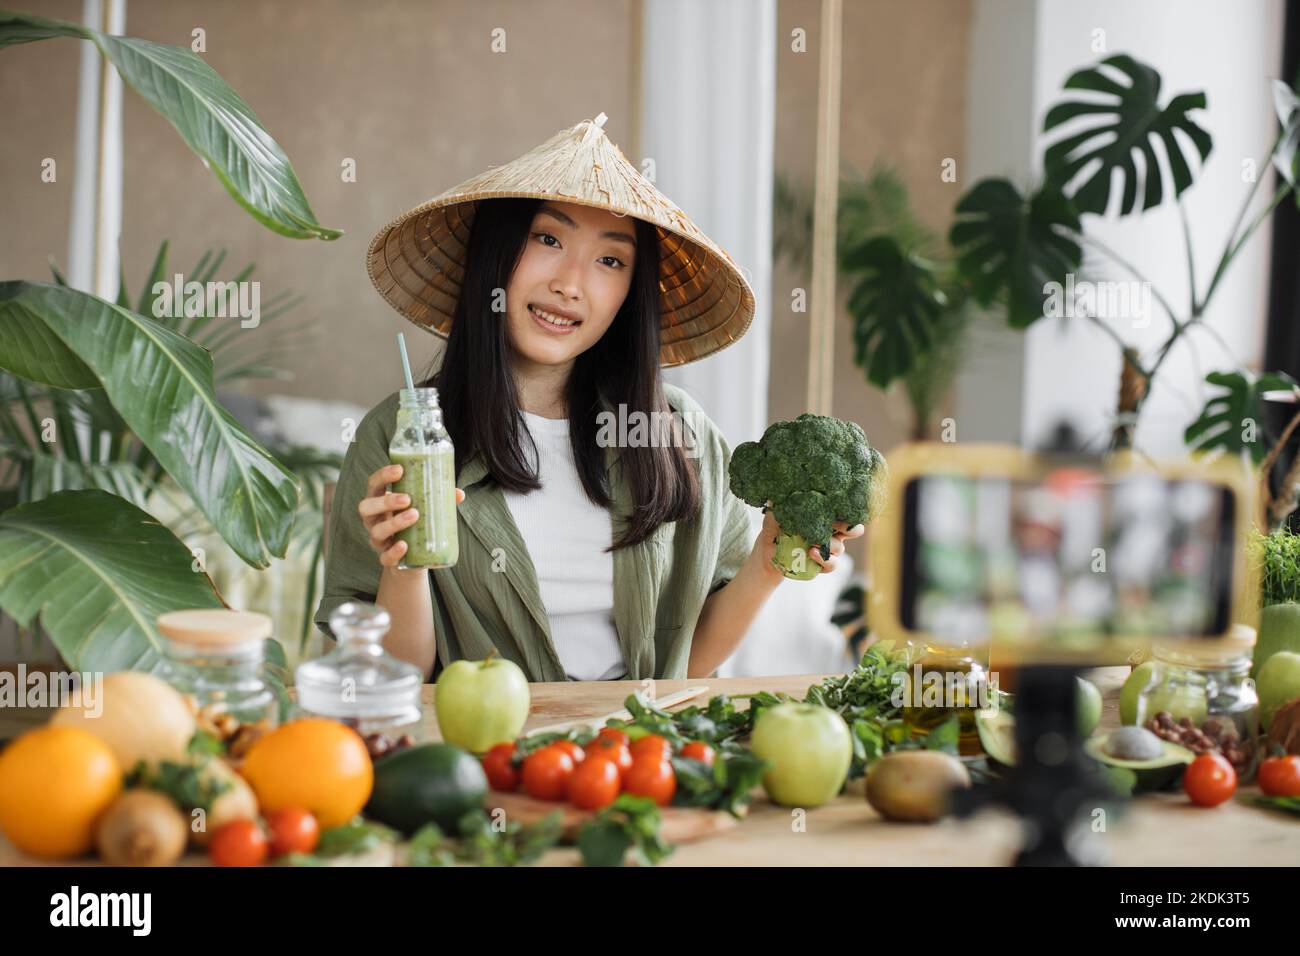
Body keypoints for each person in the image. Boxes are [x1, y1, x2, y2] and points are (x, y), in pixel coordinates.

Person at [315, 114, 864, 682]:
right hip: (481, 758)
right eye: (548, 239)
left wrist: (772, 557)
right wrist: (403, 566)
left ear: (630, 292)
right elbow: (393, 680)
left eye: (610, 260)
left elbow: (686, 661)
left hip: (640, 756)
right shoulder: (403, 437)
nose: (571, 284)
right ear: (495, 254)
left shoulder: (679, 433)